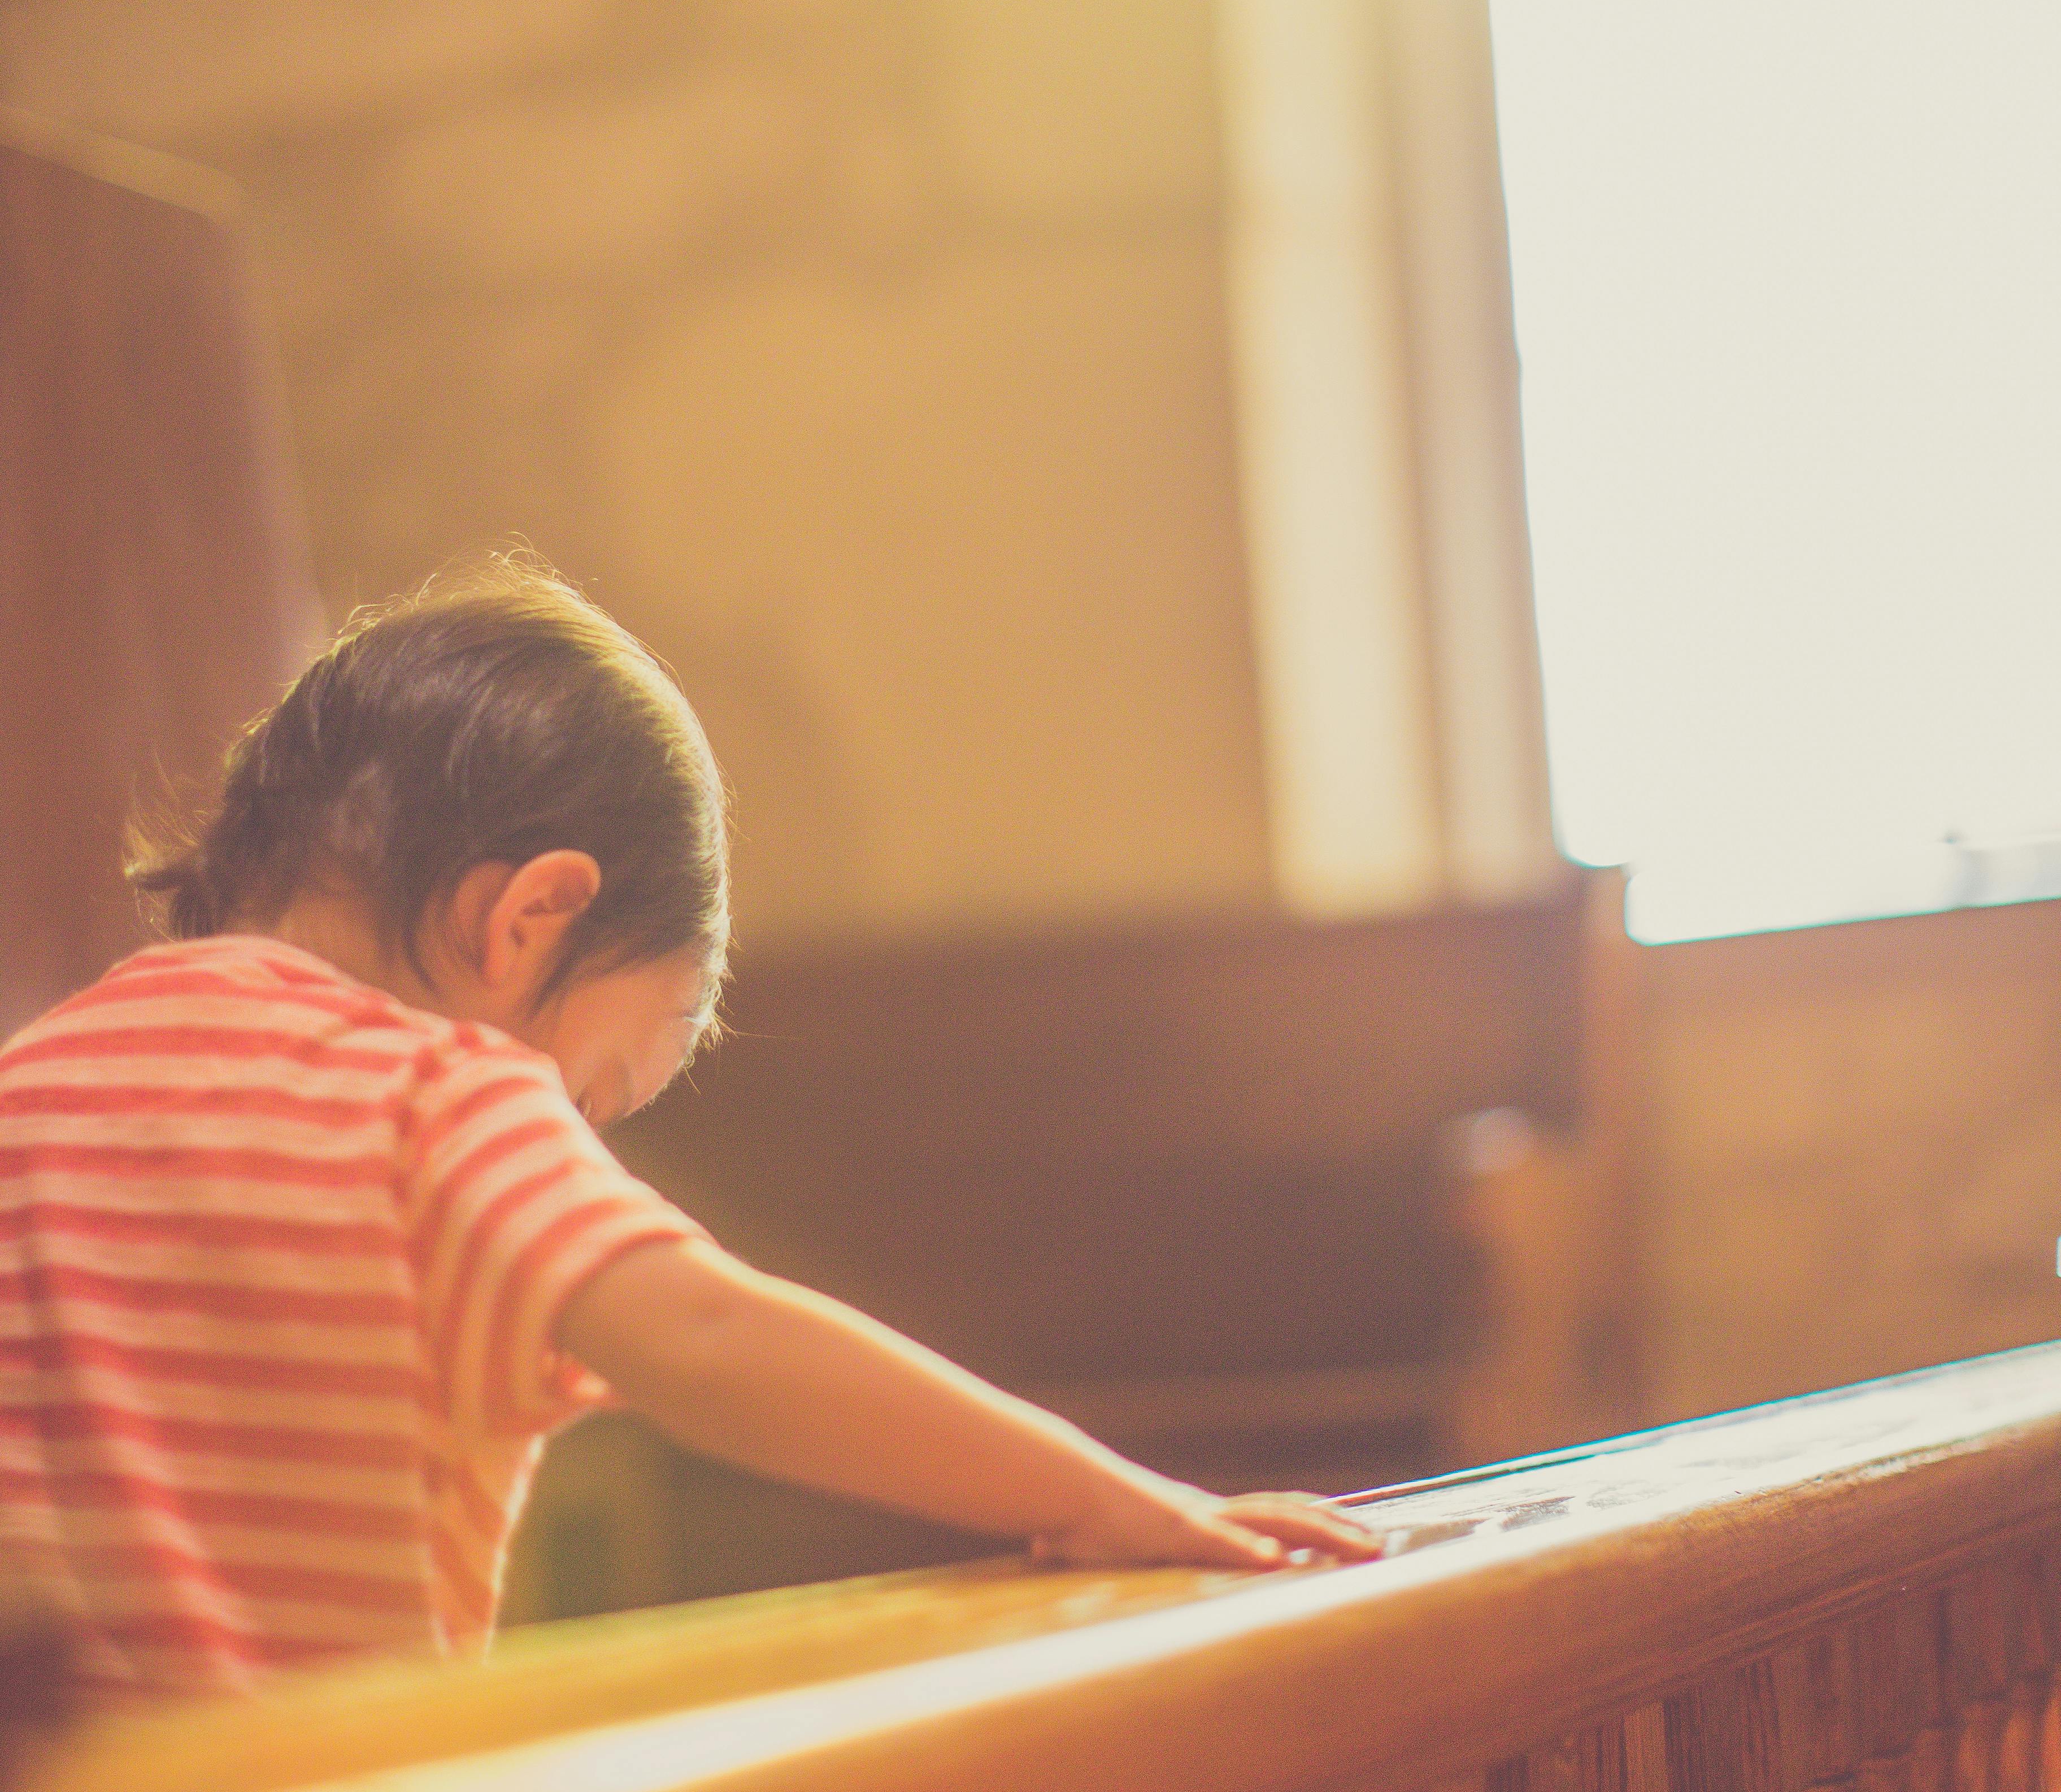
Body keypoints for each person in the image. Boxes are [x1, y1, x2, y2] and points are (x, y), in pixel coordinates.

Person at [0, 566, 1379, 1700]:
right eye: (591, 1097)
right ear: (527, 920)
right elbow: (711, 1341)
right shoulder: (431, 1095)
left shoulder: (29, 1083)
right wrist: (1105, 1497)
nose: (575, 1141)